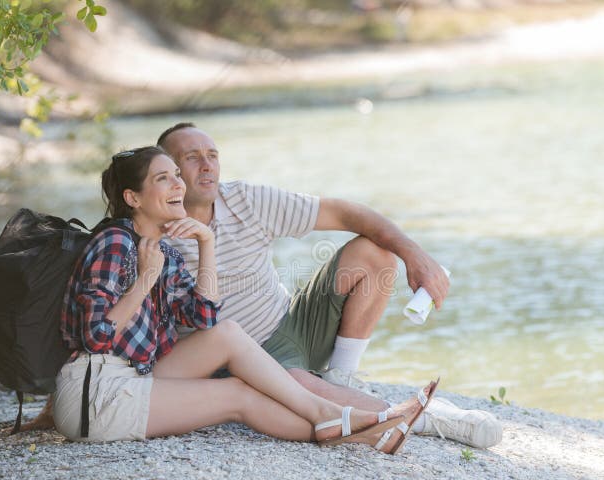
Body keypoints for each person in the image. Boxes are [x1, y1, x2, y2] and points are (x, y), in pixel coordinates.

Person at [51, 144, 437, 453]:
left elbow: (204, 318)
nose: (177, 185)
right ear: (133, 197)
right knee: (237, 395)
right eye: (163, 179)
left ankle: (352, 423)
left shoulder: (163, 250)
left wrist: (207, 243)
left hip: (136, 374)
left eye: (175, 177)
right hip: (97, 394)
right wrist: (144, 281)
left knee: (228, 333)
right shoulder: (114, 243)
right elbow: (95, 337)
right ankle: (346, 423)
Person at [157, 123, 502, 449]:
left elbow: (344, 213)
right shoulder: (151, 235)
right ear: (167, 175)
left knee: (375, 253)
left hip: (292, 322)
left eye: (212, 155)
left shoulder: (244, 199)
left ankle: (340, 377)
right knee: (299, 384)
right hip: (246, 358)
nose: (207, 166)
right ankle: (427, 418)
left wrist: (415, 256)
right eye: (191, 158)